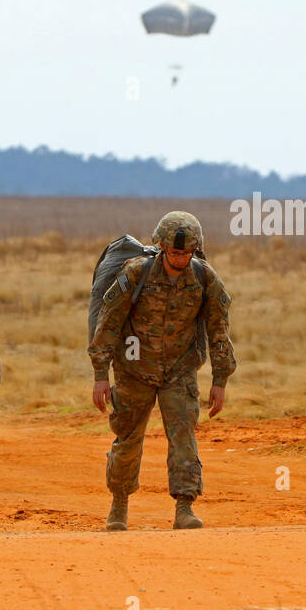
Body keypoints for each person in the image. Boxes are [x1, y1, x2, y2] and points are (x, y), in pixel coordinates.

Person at [88, 212, 235, 531]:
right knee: (128, 438)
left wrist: (220, 380)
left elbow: (219, 330)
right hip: (134, 368)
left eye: (187, 253)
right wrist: (101, 375)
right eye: (175, 252)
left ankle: (184, 507)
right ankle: (120, 504)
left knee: (183, 437)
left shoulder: (204, 277)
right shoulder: (136, 273)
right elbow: (108, 323)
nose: (181, 259)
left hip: (179, 370)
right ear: (162, 247)